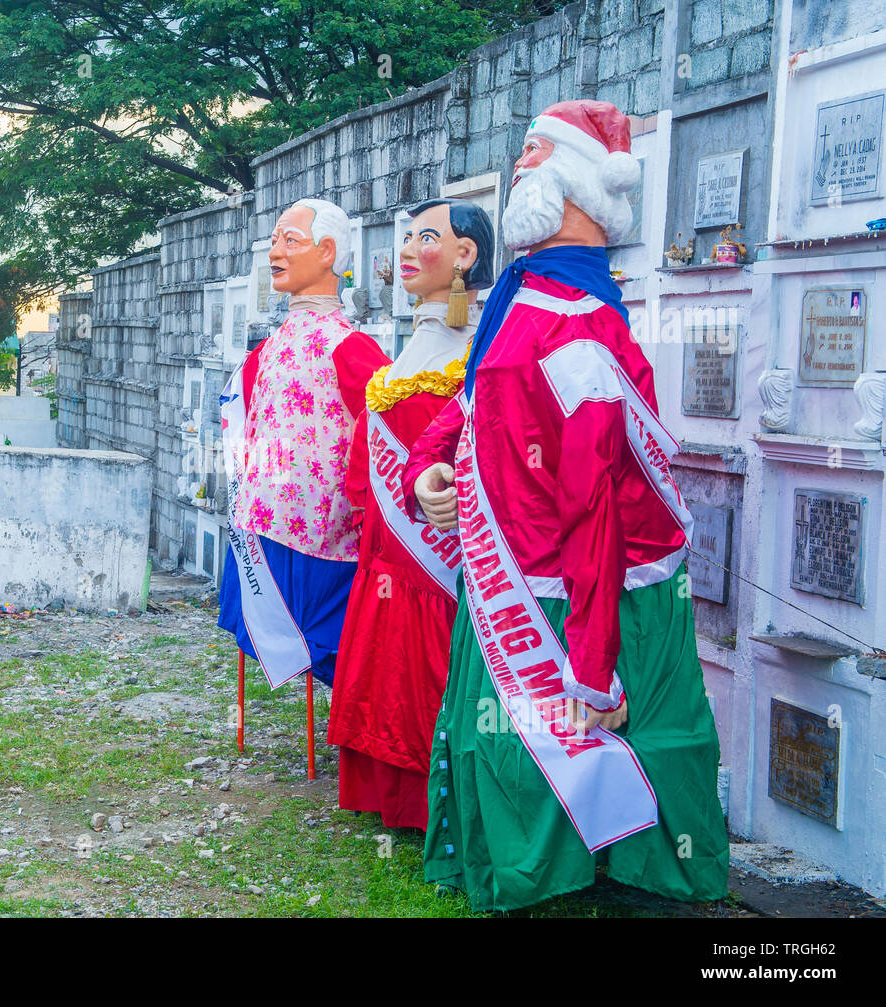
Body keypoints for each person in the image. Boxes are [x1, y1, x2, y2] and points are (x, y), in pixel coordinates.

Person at [402, 100, 728, 911]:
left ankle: (593, 869)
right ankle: (541, 867)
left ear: (578, 180)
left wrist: (590, 658)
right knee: (509, 739)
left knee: (575, 732)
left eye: (536, 152)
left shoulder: (577, 321)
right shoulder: (524, 297)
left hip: (569, 585)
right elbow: (473, 402)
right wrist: (432, 466)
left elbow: (597, 498)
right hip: (516, 572)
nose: (519, 167)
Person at [328, 199, 494, 828]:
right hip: (388, 546)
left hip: (443, 548)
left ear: (464, 255)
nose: (405, 251)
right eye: (406, 237)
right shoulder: (413, 349)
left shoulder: (481, 350)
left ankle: (439, 794)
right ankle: (388, 790)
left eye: (426, 237)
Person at [218, 198, 389, 688]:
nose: (277, 250)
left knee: (327, 641)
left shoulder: (351, 347)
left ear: (328, 252)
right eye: (274, 240)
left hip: (321, 530)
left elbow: (378, 435)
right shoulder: (267, 349)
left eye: (291, 240)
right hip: (263, 522)